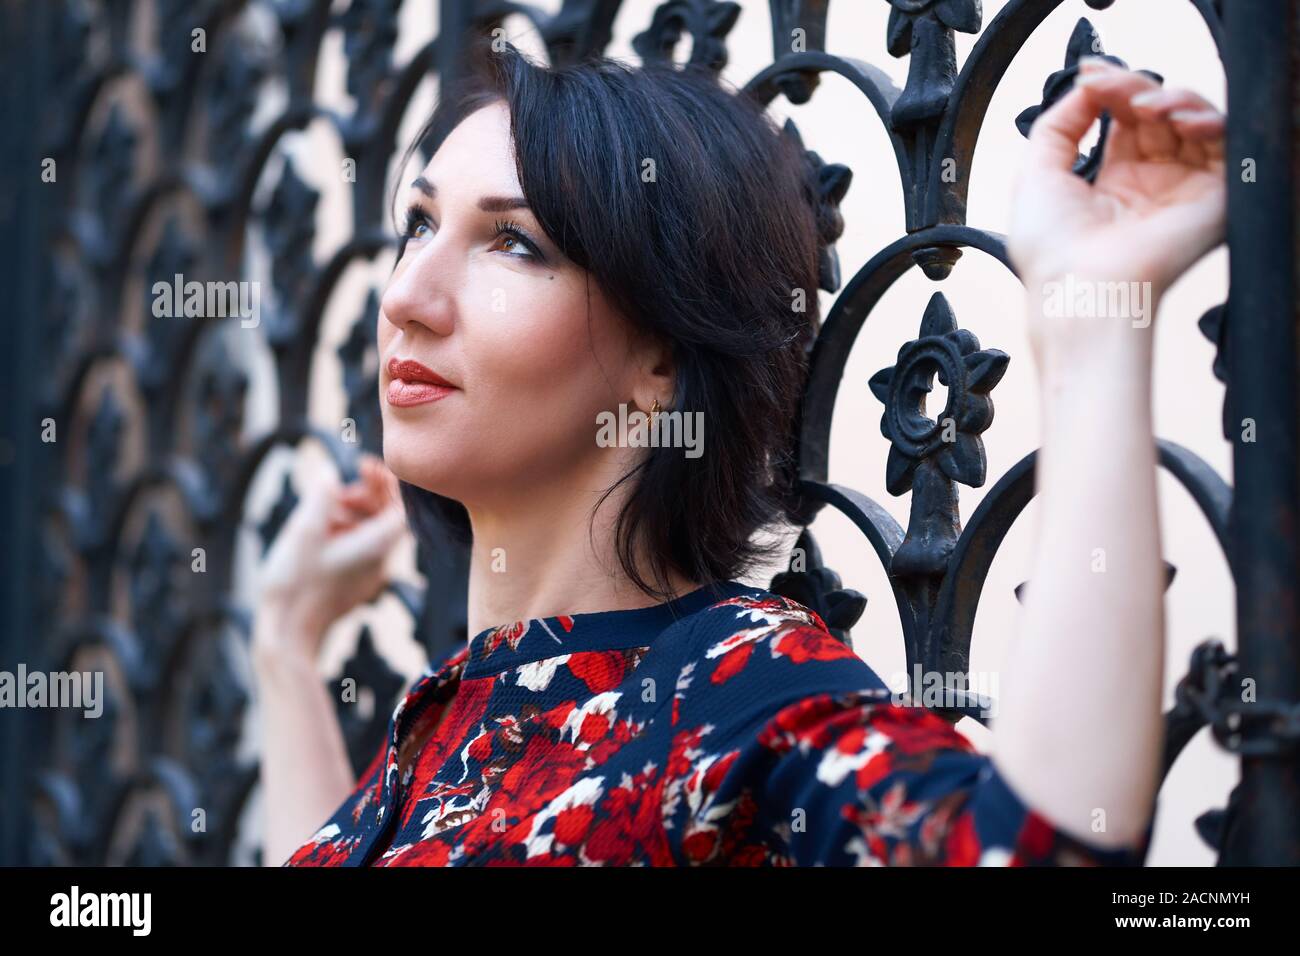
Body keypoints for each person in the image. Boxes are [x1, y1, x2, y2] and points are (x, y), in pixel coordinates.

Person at [250, 43, 1226, 866]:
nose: (405, 295)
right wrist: (286, 645)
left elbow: (1025, 847)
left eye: (513, 243)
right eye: (417, 224)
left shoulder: (724, 683)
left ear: (662, 361)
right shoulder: (443, 720)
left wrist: (1093, 315)